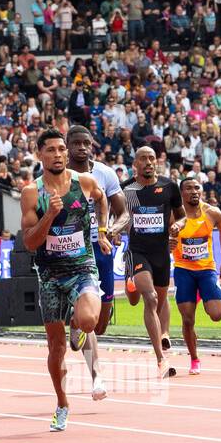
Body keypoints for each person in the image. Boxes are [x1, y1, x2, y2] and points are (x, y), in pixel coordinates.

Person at [19, 130, 112, 432]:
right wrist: (49, 216)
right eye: (51, 150)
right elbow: (30, 243)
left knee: (88, 321)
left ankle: (78, 324)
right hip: (50, 275)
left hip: (82, 267)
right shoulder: (32, 193)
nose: (58, 154)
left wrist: (101, 231)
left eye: (61, 149)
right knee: (56, 348)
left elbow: (102, 200)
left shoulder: (84, 182)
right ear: (40, 155)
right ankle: (62, 403)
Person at [114, 146, 184, 378]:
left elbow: (182, 216)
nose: (148, 162)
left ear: (157, 162)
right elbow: (119, 215)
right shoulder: (126, 189)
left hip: (161, 253)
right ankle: (161, 360)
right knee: (150, 298)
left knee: (160, 301)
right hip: (138, 251)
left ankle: (131, 283)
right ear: (135, 164)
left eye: (152, 158)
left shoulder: (169, 186)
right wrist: (115, 231)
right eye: (143, 158)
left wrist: (178, 226)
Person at [65, 125, 126, 392]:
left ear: (92, 145)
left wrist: (111, 229)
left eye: (86, 143)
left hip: (101, 248)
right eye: (76, 143)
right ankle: (96, 377)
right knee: (88, 315)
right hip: (73, 251)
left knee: (99, 325)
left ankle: (76, 321)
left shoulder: (104, 173)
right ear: (67, 146)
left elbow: (124, 213)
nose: (82, 147)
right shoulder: (59, 175)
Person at [168, 175, 221, 375]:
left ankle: (204, 295)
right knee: (188, 320)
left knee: (216, 315)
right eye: (189, 188)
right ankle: (194, 359)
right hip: (183, 270)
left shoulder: (212, 212)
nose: (194, 191)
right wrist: (169, 242)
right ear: (181, 193)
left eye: (197, 188)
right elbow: (163, 240)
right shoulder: (173, 216)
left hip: (206, 270)